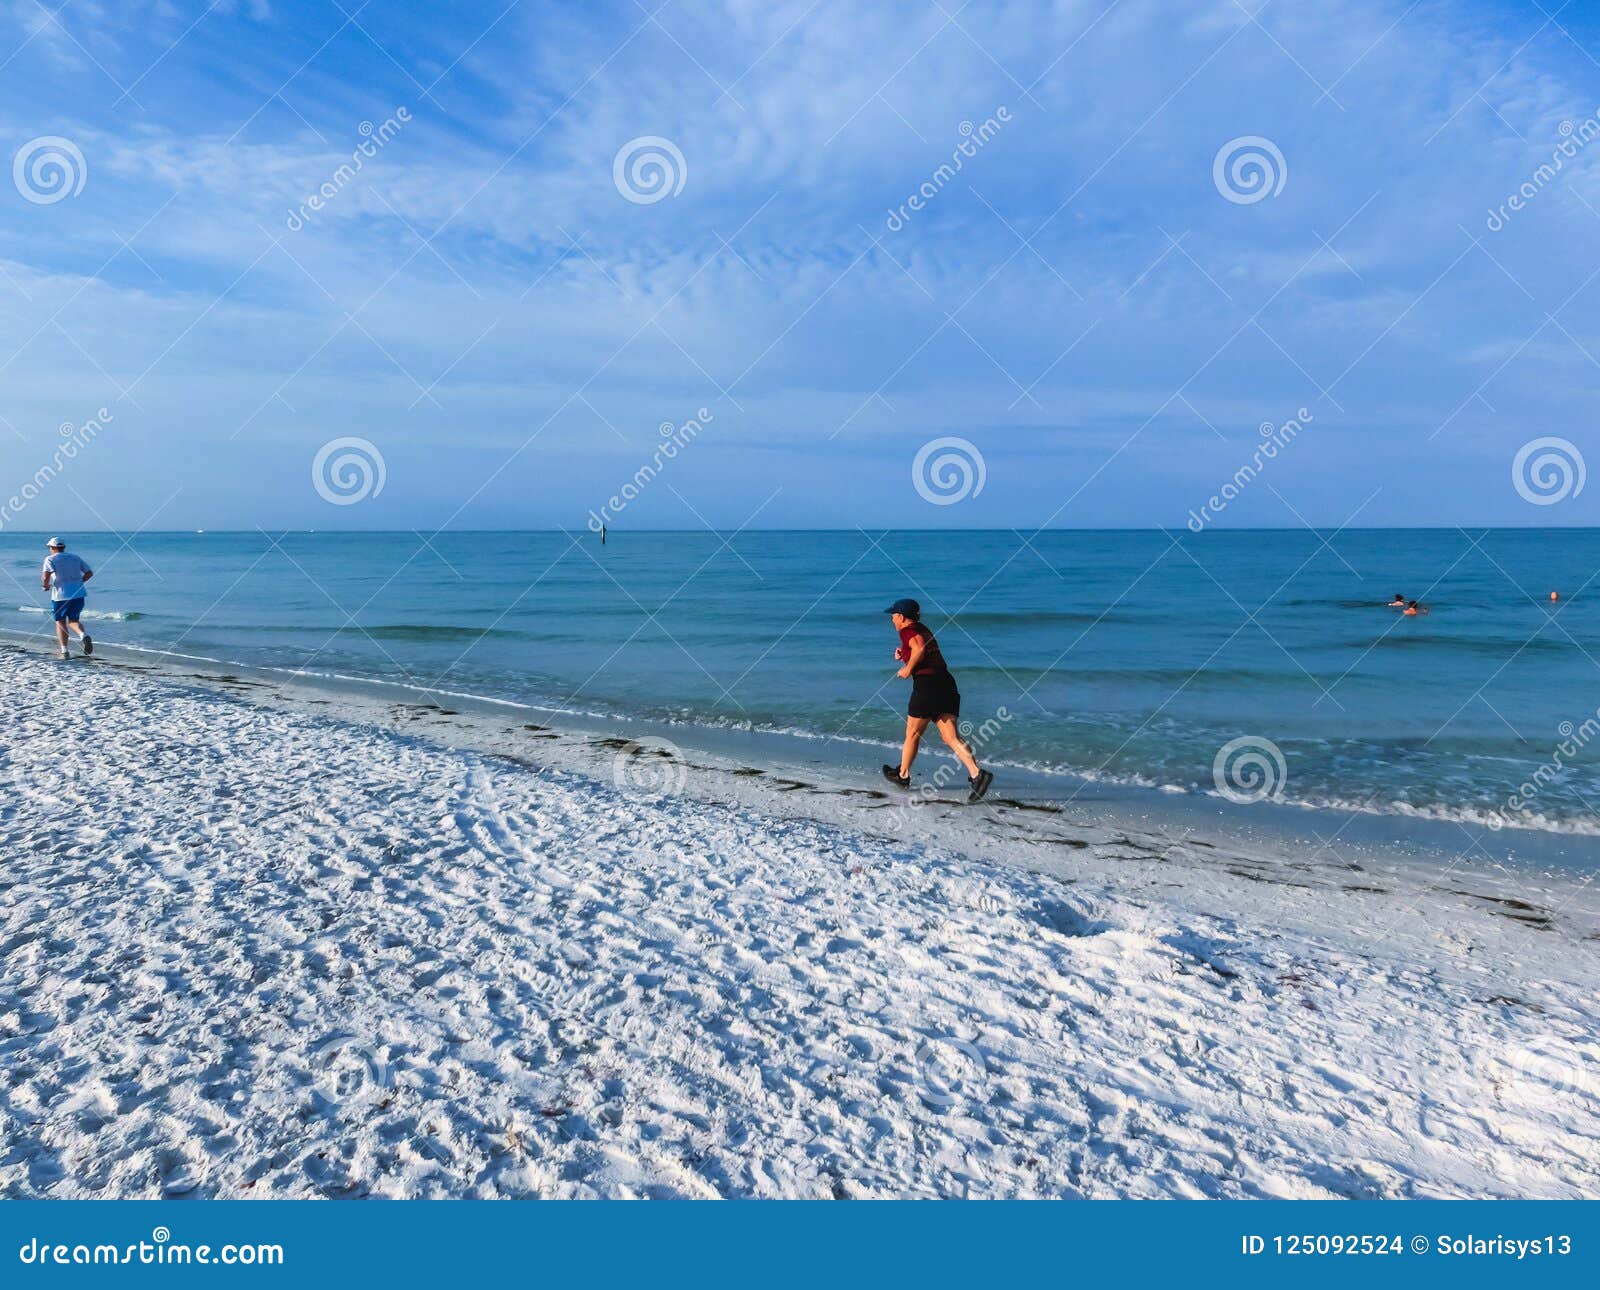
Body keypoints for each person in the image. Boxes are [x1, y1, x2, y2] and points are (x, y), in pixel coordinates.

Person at [880, 598, 993, 803]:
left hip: (927, 686)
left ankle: (903, 776)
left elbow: (920, 649)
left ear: (902, 617)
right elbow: (919, 649)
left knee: (913, 734)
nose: (892, 619)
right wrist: (903, 654)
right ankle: (977, 774)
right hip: (946, 684)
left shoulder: (906, 631)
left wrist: (907, 669)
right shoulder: (922, 628)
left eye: (894, 615)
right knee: (951, 737)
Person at [40, 538, 94, 659]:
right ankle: (83, 635)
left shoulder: (50, 559)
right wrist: (80, 582)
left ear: (53, 548)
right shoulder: (75, 557)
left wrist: (45, 586)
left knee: (60, 621)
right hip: (78, 594)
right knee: (74, 620)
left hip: (61, 596)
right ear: (63, 547)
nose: (49, 549)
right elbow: (89, 573)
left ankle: (64, 651)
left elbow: (45, 576)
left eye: (49, 547)